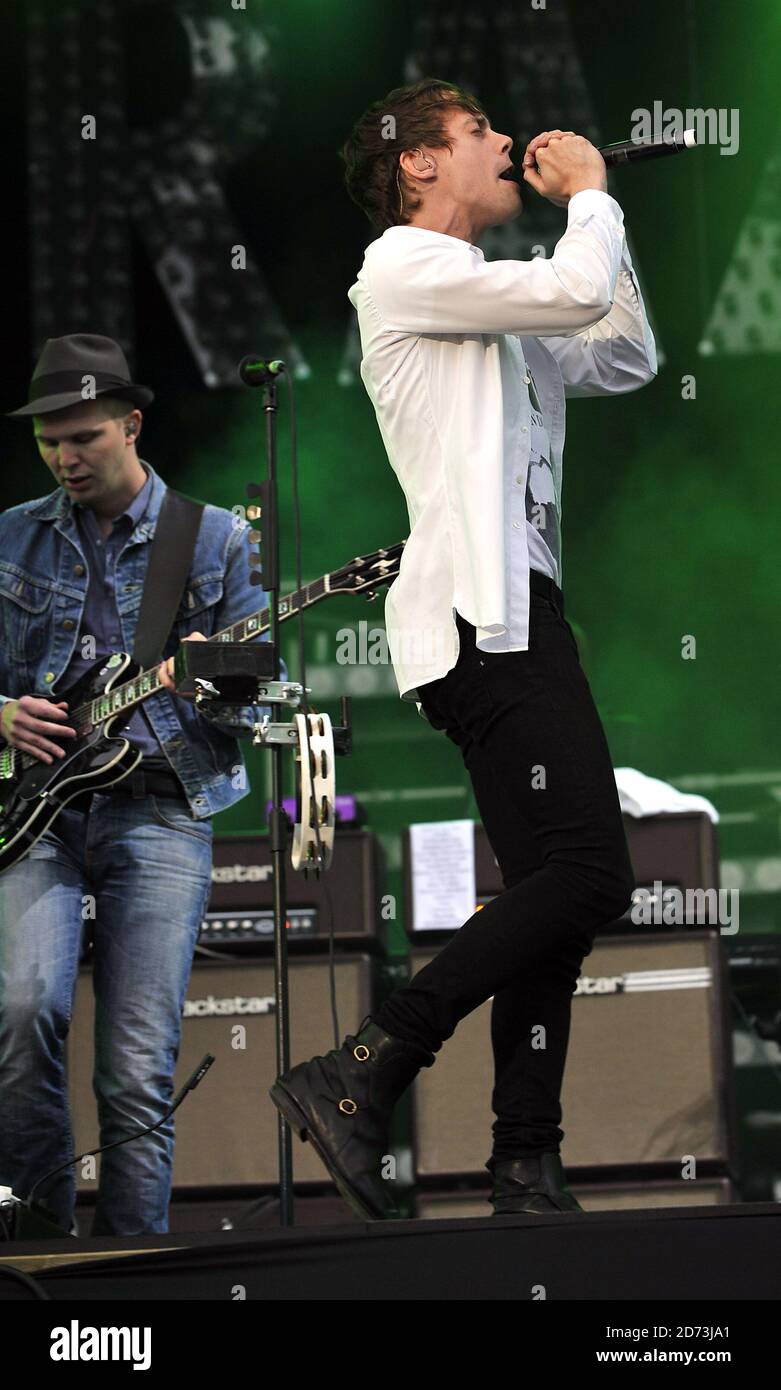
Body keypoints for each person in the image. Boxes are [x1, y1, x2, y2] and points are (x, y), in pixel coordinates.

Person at [270, 79, 657, 1221]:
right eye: (479, 132)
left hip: (514, 617)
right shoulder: (399, 265)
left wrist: (597, 212)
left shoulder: (489, 300)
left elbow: (622, 348)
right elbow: (579, 281)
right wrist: (586, 196)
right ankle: (372, 1057)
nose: (502, 144)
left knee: (555, 893)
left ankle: (524, 1159)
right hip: (482, 625)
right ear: (420, 166)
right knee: (592, 872)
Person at [0, 333, 281, 1235]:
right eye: (49, 441)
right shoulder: (11, 535)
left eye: (82, 436)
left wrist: (224, 681)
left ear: (131, 422)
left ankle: (132, 1273)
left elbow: (252, 704)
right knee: (21, 1013)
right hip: (34, 813)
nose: (64, 456)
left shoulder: (215, 540)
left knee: (134, 1064)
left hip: (160, 809)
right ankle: (40, 1245)